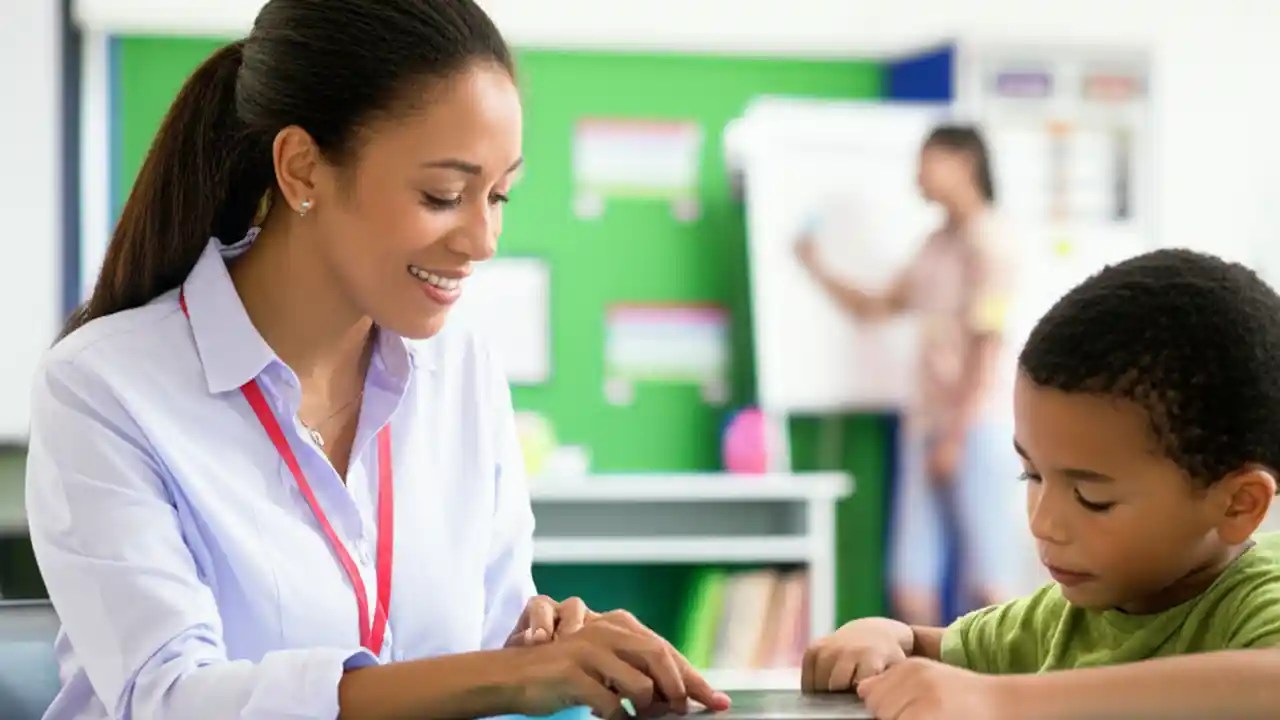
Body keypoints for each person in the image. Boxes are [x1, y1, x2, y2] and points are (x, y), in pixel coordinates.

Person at [23, 2, 731, 719]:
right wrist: (508, 677)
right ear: (302, 169)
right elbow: (170, 699)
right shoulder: (104, 389)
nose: (483, 239)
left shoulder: (464, 372)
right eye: (444, 195)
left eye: (499, 194)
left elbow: (488, 650)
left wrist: (540, 649)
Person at [801, 249, 1280, 719]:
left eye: (1093, 498)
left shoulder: (1257, 600)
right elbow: (941, 651)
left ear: (1239, 504)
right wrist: (890, 637)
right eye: (1031, 474)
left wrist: (1009, 701)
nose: (1042, 522)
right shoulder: (1063, 617)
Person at [796, 125, 1022, 625]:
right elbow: (876, 306)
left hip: (975, 427)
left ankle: (1001, 696)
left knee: (988, 582)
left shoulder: (991, 242)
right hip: (926, 424)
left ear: (963, 163)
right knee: (909, 585)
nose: (917, 175)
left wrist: (957, 436)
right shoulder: (934, 245)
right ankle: (930, 692)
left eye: (927, 161)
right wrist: (816, 266)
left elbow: (988, 344)